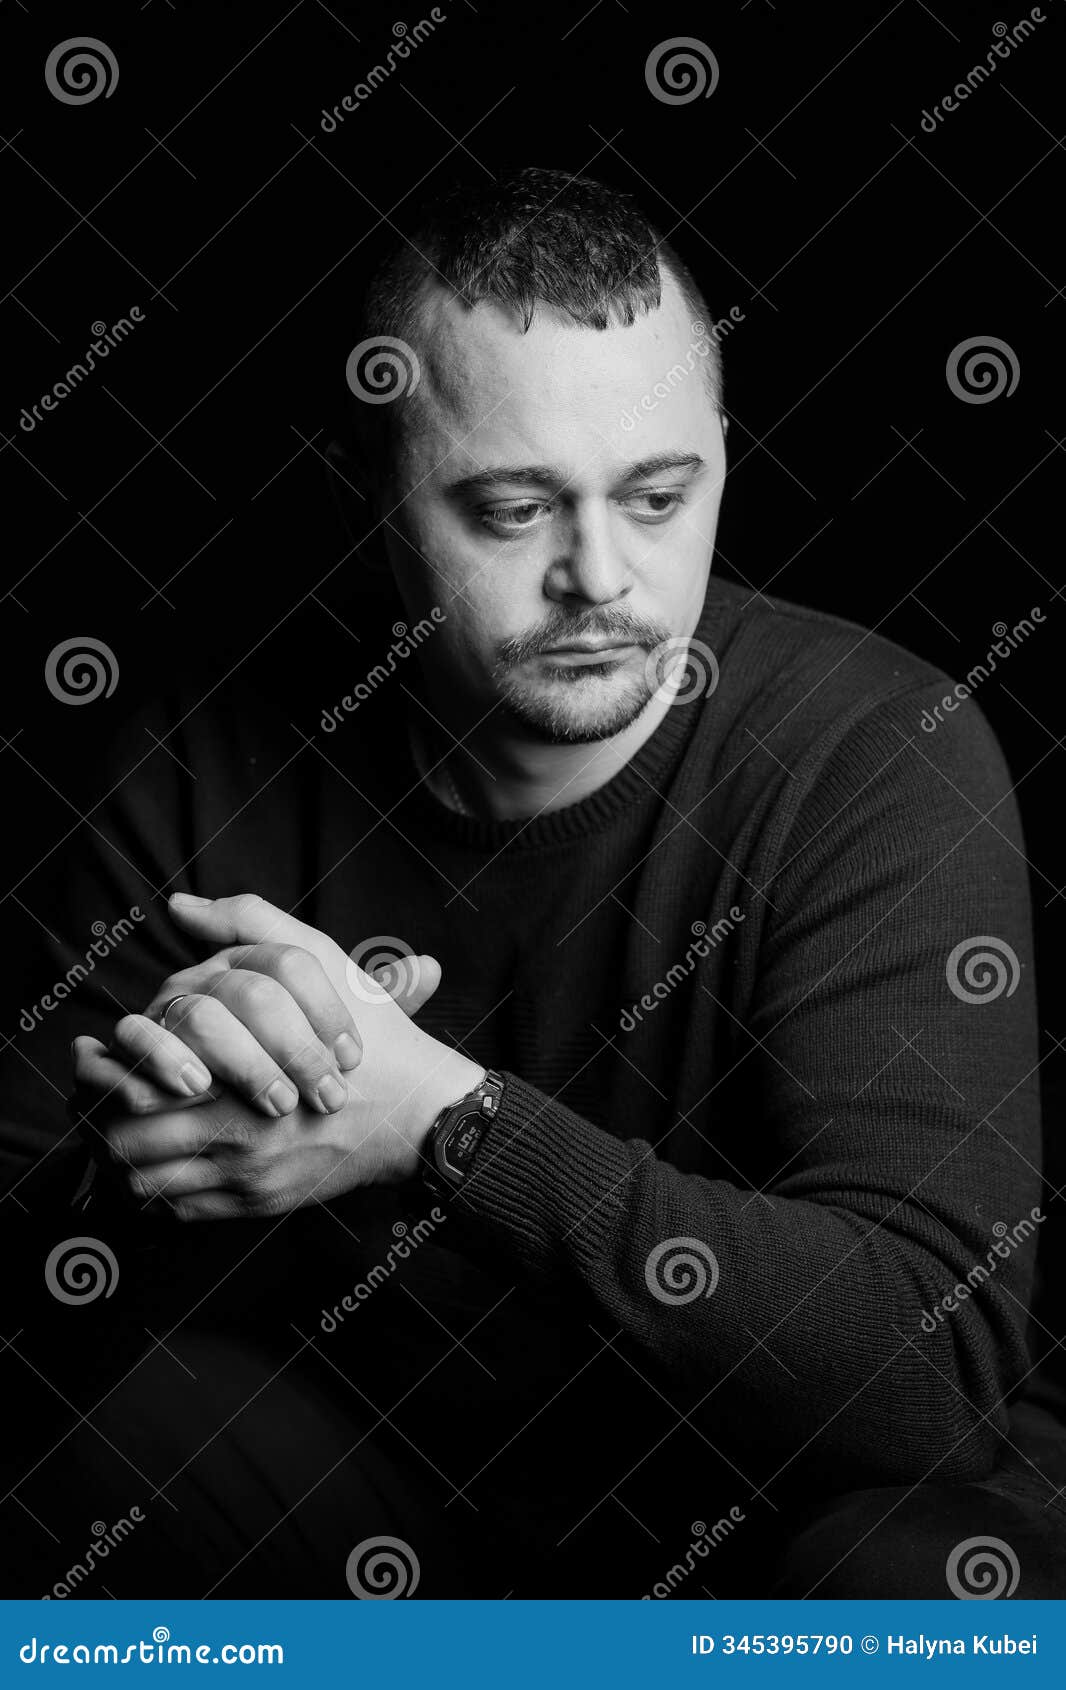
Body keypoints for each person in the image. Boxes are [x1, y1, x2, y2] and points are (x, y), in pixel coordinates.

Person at [2, 167, 1064, 1600]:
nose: (601, 577)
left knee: (921, 1572)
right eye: (511, 511)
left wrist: (446, 1127)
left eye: (658, 495)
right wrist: (163, 1142)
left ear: (721, 462)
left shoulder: (877, 748)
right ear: (371, 493)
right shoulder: (210, 753)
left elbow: (923, 1376)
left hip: (783, 1523)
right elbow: (26, 1294)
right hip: (400, 1524)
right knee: (88, 1437)